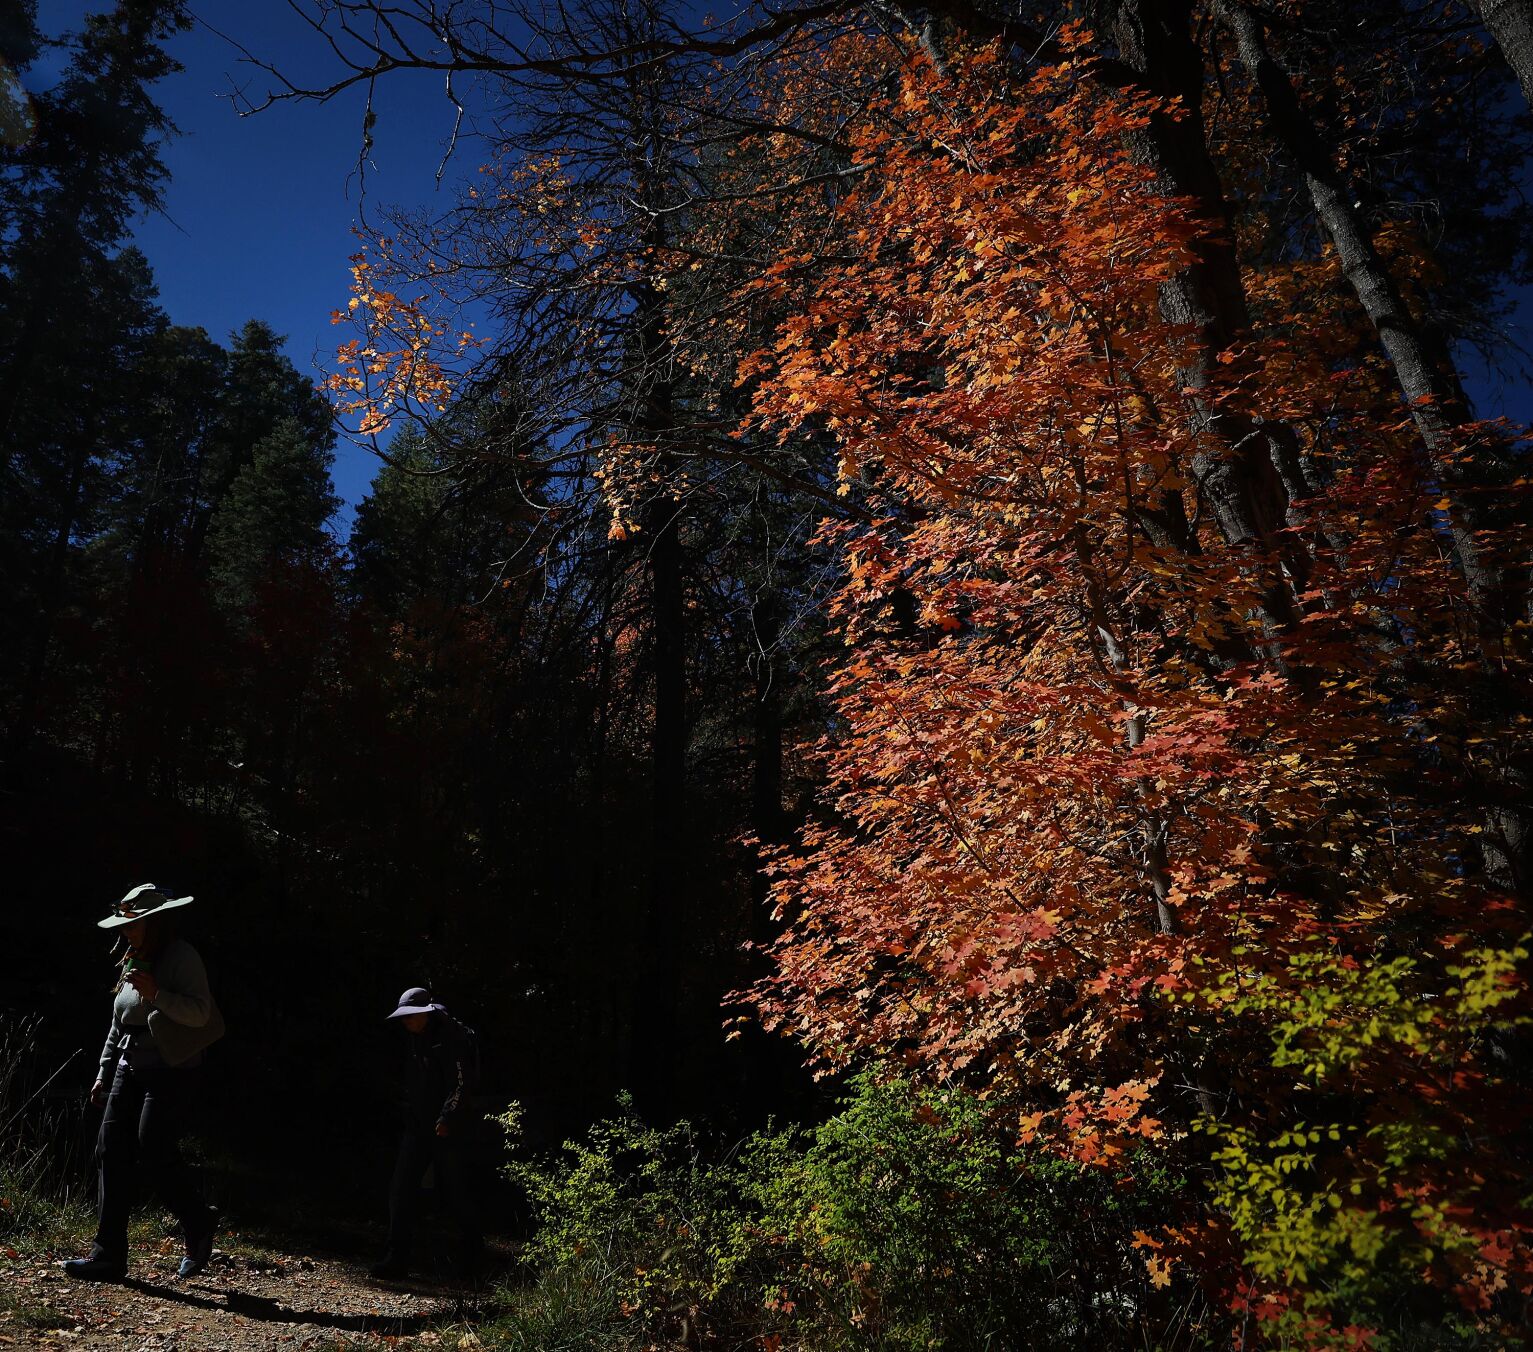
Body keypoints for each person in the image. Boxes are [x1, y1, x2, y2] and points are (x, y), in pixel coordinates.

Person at [62, 884, 225, 1283]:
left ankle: (198, 1221)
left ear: (154, 923)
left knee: (153, 1150)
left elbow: (201, 1014)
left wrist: (158, 994)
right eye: (124, 926)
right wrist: (103, 1072)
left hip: (172, 1068)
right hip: (128, 1066)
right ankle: (108, 1257)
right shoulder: (132, 957)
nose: (126, 933)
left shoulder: (182, 956)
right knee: (110, 1151)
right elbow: (119, 1022)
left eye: (132, 926)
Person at [369, 986, 483, 1284]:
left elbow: (462, 1084)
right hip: (419, 1128)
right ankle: (396, 1259)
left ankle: (472, 1263)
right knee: (400, 1189)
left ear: (426, 1013)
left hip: (450, 1130)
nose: (407, 1021)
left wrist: (447, 1118)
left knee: (458, 1194)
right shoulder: (414, 1038)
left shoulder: (452, 1038)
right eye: (404, 1017)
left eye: (412, 1016)